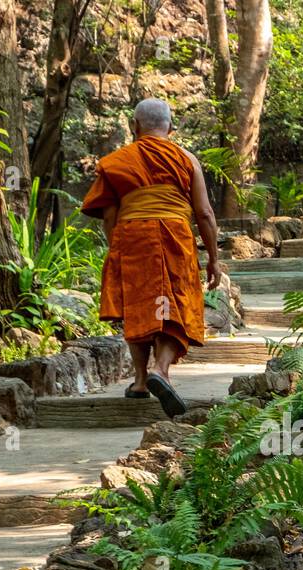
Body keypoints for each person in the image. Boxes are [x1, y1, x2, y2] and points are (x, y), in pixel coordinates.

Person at [81, 98, 221, 417]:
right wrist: (213, 257)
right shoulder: (187, 160)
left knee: (139, 304)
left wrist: (116, 249)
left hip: (133, 236)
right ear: (171, 128)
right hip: (175, 236)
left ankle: (142, 381)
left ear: (135, 127)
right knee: (176, 302)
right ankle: (162, 370)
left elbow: (108, 217)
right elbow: (204, 212)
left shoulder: (118, 161)